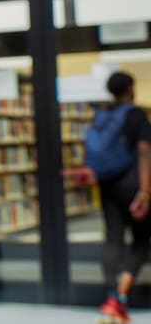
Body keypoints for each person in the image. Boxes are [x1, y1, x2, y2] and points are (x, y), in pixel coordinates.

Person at [95, 72, 151, 323]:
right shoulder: (136, 114)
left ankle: (110, 297)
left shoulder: (103, 115)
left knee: (112, 238)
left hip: (107, 184)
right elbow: (144, 153)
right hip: (131, 185)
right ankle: (120, 296)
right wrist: (145, 191)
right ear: (130, 88)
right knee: (141, 239)